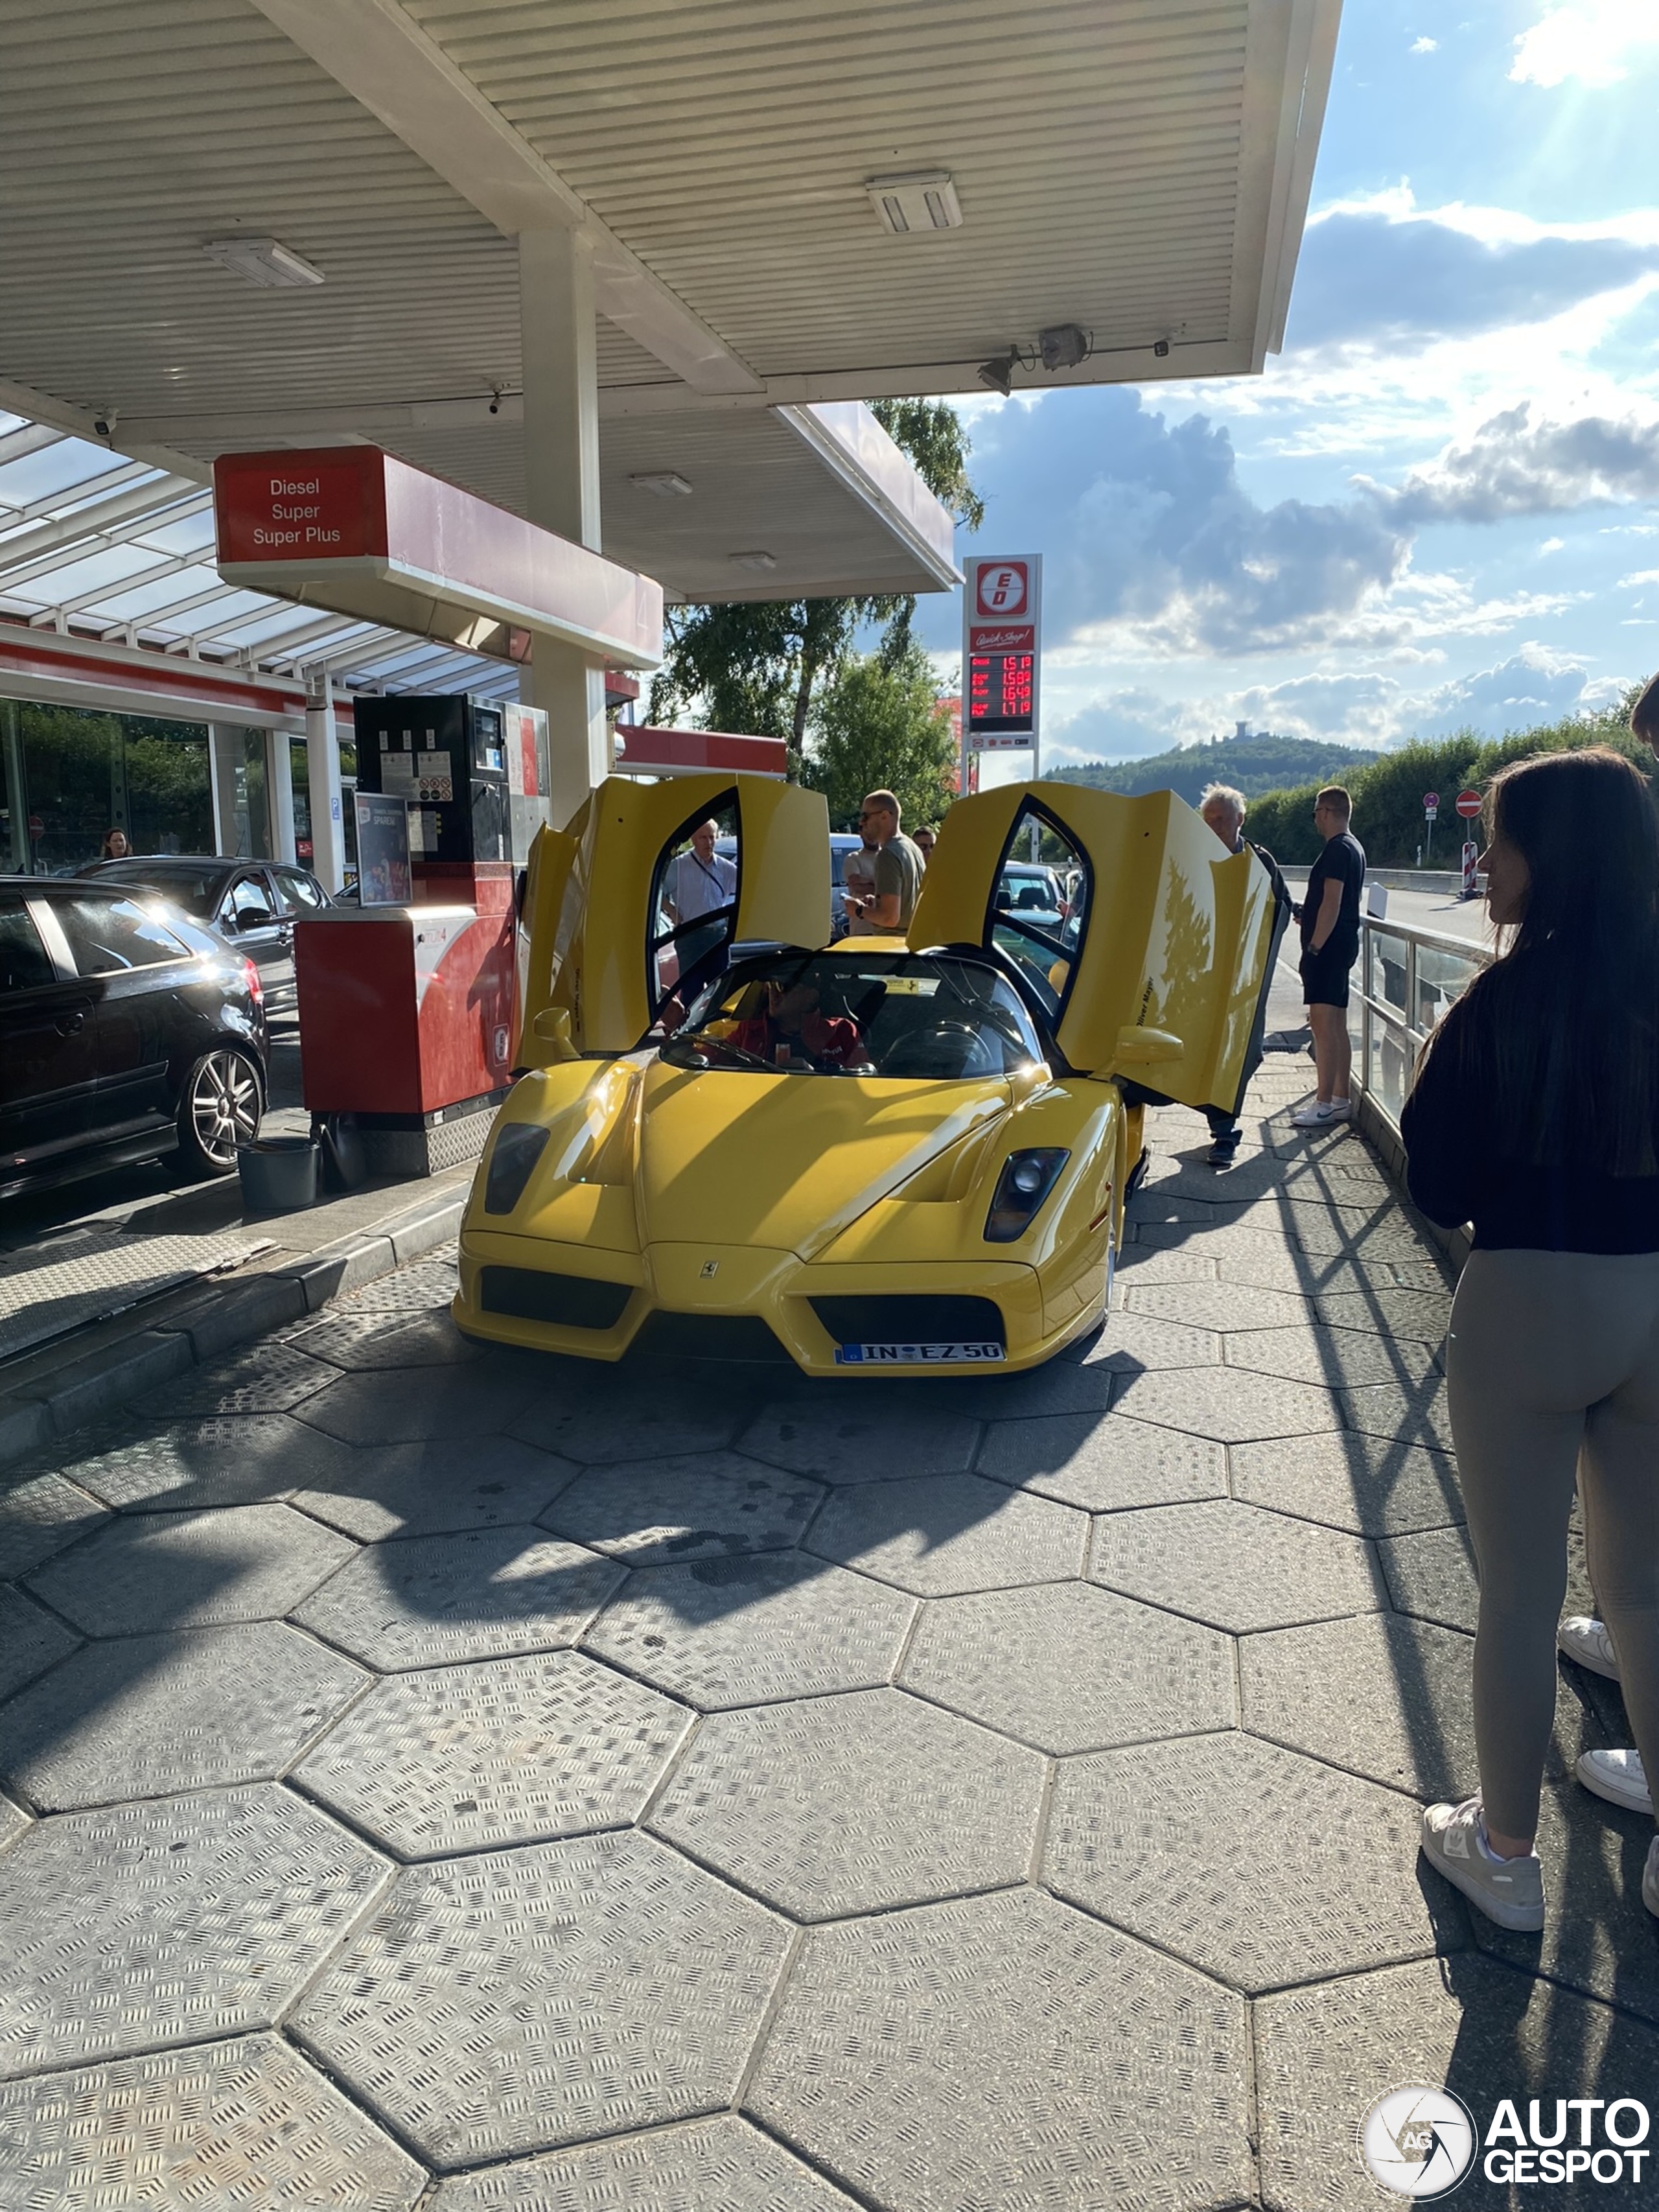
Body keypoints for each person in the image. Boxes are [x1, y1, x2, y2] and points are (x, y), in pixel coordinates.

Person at [1401, 747, 1659, 1932]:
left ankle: (1504, 1856)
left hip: (1525, 1306)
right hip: (1651, 1299)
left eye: (1499, 841)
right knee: (1645, 1588)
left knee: (1520, 1588)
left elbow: (1441, 1184)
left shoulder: (1502, 1001)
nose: (1484, 862)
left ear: (1550, 858)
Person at [1196, 784, 1292, 1166]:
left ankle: (1224, 1132)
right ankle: (1219, 1126)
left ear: (1240, 819)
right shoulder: (1194, 856)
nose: (1214, 827)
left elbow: (1279, 909)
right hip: (1200, 974)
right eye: (1208, 821)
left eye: (1221, 819)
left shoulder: (1261, 861)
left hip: (1244, 981)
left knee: (1240, 1054)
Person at [1290, 785, 1365, 1131]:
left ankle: (1322, 1103)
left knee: (1322, 1025)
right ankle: (1340, 1099)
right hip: (1345, 943)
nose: (1315, 819)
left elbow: (1333, 901)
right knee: (1336, 1024)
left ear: (1329, 812)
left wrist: (1314, 946)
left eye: (1316, 812)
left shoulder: (1336, 850)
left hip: (1329, 948)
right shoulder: (1354, 847)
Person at [726, 975, 866, 1070]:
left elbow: (866, 1079)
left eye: (783, 987)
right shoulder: (748, 1031)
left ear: (811, 997)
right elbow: (706, 1060)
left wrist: (813, 1076)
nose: (774, 993)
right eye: (771, 985)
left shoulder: (841, 1030)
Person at [662, 820, 737, 976]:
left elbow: (745, 888)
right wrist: (672, 912)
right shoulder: (679, 866)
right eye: (703, 838)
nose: (709, 843)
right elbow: (659, 894)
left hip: (718, 937)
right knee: (691, 993)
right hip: (691, 937)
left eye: (712, 837)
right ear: (694, 840)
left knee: (718, 991)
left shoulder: (726, 868)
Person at [844, 790, 922, 938]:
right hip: (911, 944)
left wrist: (859, 910)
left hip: (890, 949)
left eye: (865, 816)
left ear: (885, 816)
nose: (862, 822)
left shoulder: (888, 854)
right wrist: (877, 903)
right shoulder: (912, 847)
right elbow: (905, 906)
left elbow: (890, 918)